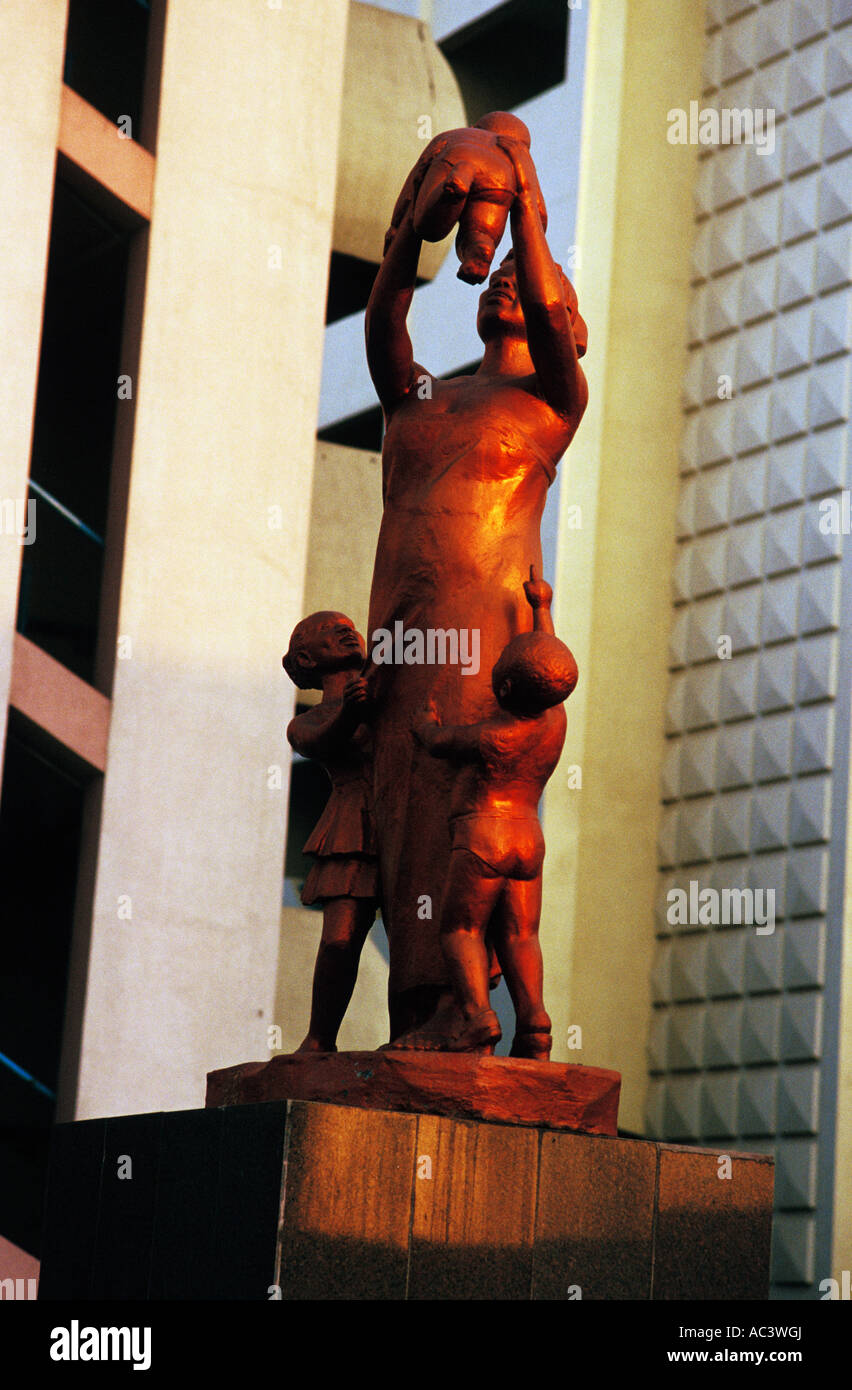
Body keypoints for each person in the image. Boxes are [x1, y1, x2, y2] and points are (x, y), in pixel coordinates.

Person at [365, 128, 588, 1047]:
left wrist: (523, 198)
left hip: (488, 636)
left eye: (532, 286)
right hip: (404, 628)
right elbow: (384, 325)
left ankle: (471, 1011)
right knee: (404, 807)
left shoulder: (551, 405)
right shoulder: (424, 398)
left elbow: (544, 299)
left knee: (464, 807)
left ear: (567, 327)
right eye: (496, 274)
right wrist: (410, 229)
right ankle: (422, 1013)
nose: (507, 284)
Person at [410, 568, 577, 1059]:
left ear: (502, 688)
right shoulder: (555, 720)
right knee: (522, 935)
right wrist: (541, 607)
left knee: (462, 930)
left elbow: (437, 742)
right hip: (528, 839)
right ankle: (535, 1024)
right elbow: (549, 662)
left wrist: (423, 723)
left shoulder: (490, 737)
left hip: (483, 836)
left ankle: (476, 1016)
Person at [282, 612, 379, 1052]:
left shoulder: (385, 696)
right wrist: (350, 713)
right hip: (351, 823)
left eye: (349, 625)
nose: (346, 630)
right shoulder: (306, 722)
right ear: (306, 658)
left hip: (400, 817)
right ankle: (321, 1037)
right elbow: (322, 742)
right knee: (340, 939)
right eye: (328, 629)